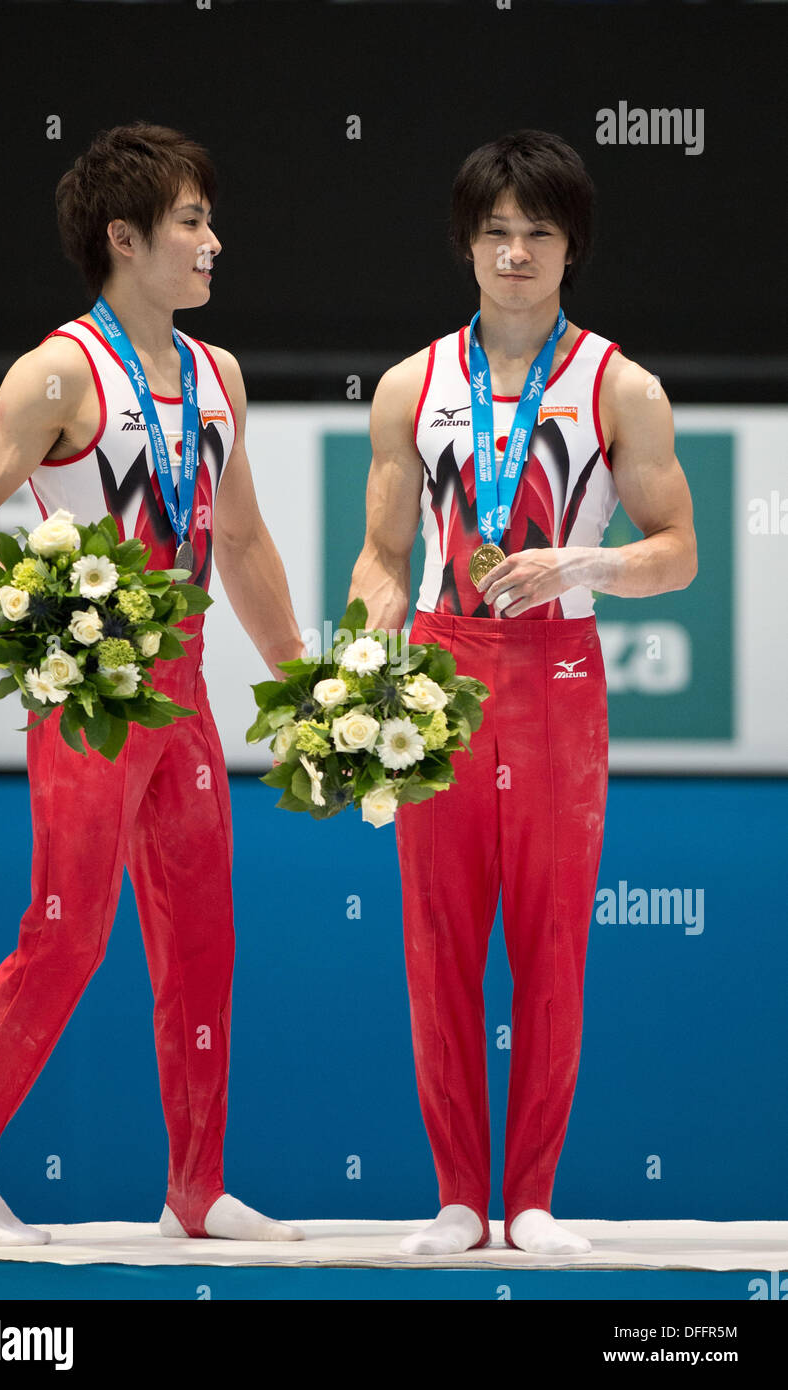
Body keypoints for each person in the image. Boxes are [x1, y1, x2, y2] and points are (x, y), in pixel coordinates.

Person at [0, 122, 306, 1246]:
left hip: (179, 686)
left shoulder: (216, 375)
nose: (213, 243)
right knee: (69, 928)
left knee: (200, 937)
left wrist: (313, 691)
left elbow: (237, 543)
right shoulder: (58, 371)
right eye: (191, 223)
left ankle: (196, 1188)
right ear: (123, 238)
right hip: (89, 690)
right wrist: (41, 618)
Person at [349, 130, 697, 1256]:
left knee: (550, 940)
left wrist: (580, 565)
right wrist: (367, 650)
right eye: (493, 232)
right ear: (466, 242)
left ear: (568, 248)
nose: (511, 254)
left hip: (555, 673)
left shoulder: (620, 387)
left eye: (534, 234)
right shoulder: (410, 384)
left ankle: (532, 1196)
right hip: (440, 670)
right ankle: (458, 1195)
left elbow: (680, 550)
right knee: (436, 936)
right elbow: (382, 555)